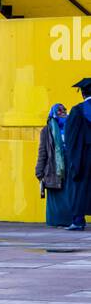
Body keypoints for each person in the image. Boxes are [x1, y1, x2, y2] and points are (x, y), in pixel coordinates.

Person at [36, 103, 71, 229]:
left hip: (70, 168)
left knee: (69, 196)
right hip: (53, 169)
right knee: (56, 197)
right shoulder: (46, 130)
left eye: (64, 110)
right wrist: (39, 172)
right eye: (59, 110)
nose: (62, 112)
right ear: (53, 113)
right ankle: (56, 222)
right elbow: (42, 152)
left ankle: (70, 221)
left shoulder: (70, 127)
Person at [65, 78, 91, 232]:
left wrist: (73, 157)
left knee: (80, 187)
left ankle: (78, 221)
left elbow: (71, 137)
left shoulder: (77, 111)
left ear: (82, 93)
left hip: (84, 155)